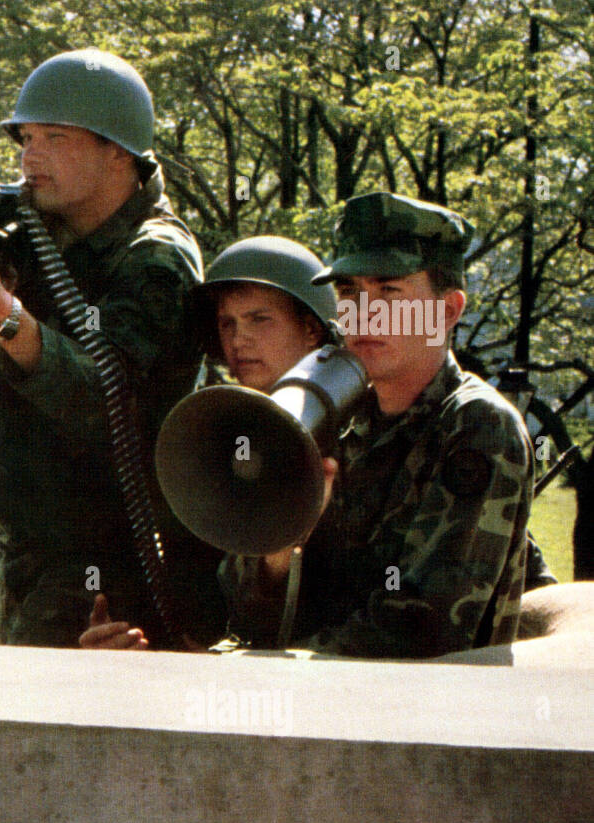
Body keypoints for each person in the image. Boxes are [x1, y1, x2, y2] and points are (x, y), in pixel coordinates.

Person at [0, 48, 219, 648]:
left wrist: (9, 323)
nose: (30, 156)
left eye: (54, 138)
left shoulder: (157, 259)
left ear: (118, 150)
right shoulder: (34, 228)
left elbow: (108, 402)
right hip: (30, 539)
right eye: (26, 139)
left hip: (113, 554)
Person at [219, 192, 535, 657]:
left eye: (389, 291)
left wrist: (280, 666)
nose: (363, 313)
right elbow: (246, 614)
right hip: (319, 702)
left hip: (429, 718)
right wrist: (281, 552)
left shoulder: (478, 427)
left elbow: (421, 625)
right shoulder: (335, 419)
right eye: (349, 293)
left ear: (446, 311)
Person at [81, 235, 335, 649]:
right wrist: (133, 647)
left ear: (310, 329)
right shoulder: (207, 434)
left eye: (259, 319)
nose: (239, 340)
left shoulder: (354, 436)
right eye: (227, 323)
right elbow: (195, 598)